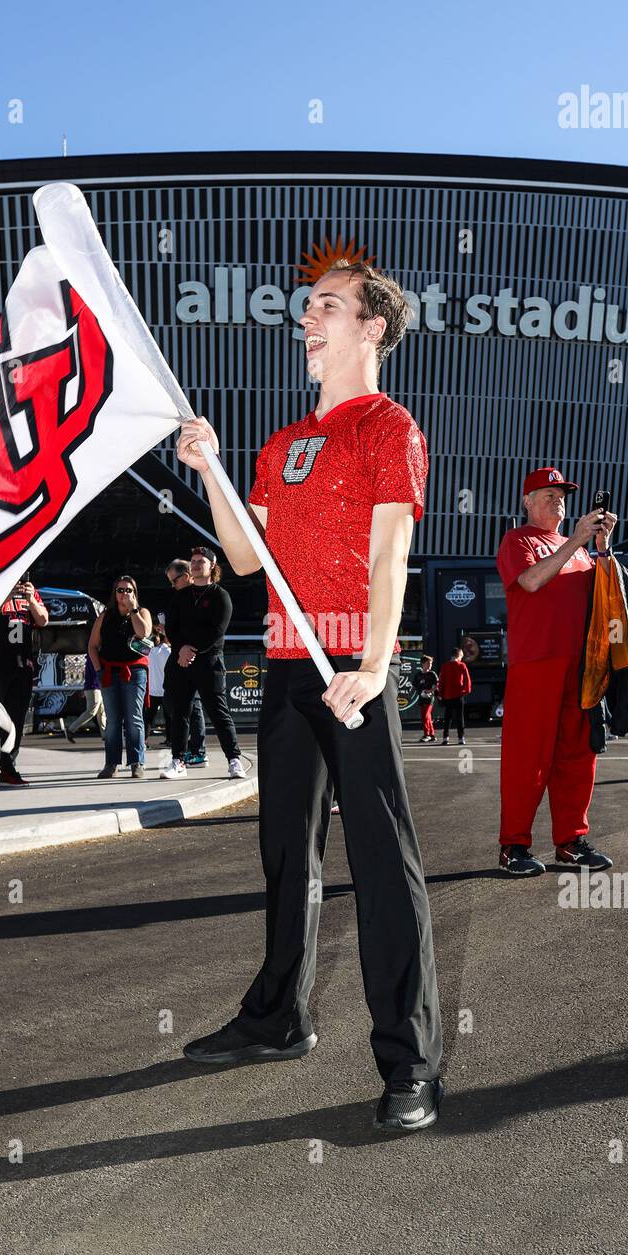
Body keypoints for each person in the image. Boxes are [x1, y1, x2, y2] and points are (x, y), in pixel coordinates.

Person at [176, 258, 443, 1132]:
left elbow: (388, 556)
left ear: (371, 328)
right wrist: (212, 471)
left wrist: (373, 666)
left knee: (381, 862)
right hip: (288, 664)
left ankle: (410, 1062)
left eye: (328, 306)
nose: (308, 318)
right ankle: (277, 1017)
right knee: (287, 856)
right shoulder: (282, 443)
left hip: (350, 669)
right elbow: (248, 559)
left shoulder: (388, 427)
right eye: (306, 308)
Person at [496, 466, 618, 876]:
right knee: (527, 757)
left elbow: (605, 595)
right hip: (536, 663)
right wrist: (575, 544)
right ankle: (513, 846)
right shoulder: (517, 540)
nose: (558, 500)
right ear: (527, 501)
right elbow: (530, 582)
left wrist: (602, 547)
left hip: (580, 664)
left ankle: (571, 841)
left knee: (578, 754)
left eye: (562, 495)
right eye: (548, 494)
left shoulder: (580, 548)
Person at [160, 546, 245, 780]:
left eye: (201, 561)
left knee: (219, 713)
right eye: (193, 561)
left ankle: (234, 760)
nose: (196, 565)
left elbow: (217, 630)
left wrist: (191, 649)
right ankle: (178, 761)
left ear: (212, 567)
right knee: (180, 713)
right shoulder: (180, 596)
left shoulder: (220, 595)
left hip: (209, 663)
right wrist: (181, 649)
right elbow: (171, 627)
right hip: (182, 662)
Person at [0, 575, 49, 788]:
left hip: (22, 665)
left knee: (15, 720)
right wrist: (6, 592)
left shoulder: (30, 594)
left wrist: (31, 599)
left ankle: (8, 767)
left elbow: (43, 620)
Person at [89, 575, 152, 779]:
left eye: (128, 590)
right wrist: (99, 670)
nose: (124, 594)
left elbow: (144, 633)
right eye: (120, 590)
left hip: (134, 672)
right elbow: (92, 646)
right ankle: (111, 764)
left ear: (135, 593)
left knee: (134, 718)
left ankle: (137, 763)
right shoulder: (105, 615)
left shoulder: (142, 612)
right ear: (114, 594)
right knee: (113, 721)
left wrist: (133, 610)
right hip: (109, 672)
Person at [160, 560, 207, 766]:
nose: (173, 585)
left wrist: (187, 646)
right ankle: (187, 749)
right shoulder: (178, 599)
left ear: (187, 575)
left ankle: (198, 751)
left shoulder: (202, 595)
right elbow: (175, 632)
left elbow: (205, 629)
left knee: (193, 706)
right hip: (178, 657)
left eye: (175, 580)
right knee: (172, 700)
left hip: (196, 656)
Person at [64, 653, 106, 740]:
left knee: (101, 712)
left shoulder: (91, 658)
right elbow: (97, 672)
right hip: (94, 687)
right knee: (92, 711)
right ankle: (71, 729)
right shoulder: (94, 657)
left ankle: (105, 735)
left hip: (94, 687)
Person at [438, 646, 472, 745]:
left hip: (448, 696)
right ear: (459, 655)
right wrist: (466, 690)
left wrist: (440, 693)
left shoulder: (445, 666)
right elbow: (467, 679)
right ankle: (461, 738)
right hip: (459, 695)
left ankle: (445, 737)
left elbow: (441, 681)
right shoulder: (462, 666)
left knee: (447, 718)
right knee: (460, 717)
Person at [413, 653, 438, 742]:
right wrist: (420, 692)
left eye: (430, 664)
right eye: (428, 663)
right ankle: (432, 734)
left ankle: (426, 734)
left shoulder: (432, 674)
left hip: (429, 698)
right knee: (427, 716)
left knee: (426, 715)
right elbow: (414, 685)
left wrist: (429, 691)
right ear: (423, 664)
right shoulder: (418, 675)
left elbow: (436, 685)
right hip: (421, 698)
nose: (430, 665)